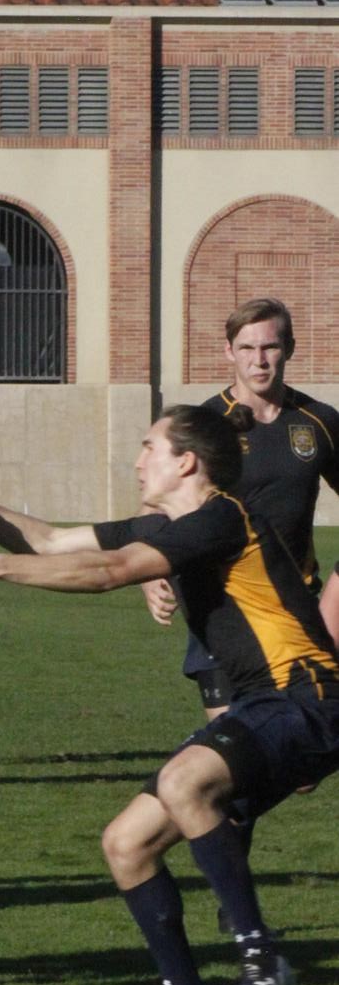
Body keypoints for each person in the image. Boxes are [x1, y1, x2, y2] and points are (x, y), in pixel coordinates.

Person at [0, 405, 339, 985]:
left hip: (308, 698)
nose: (138, 459)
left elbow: (109, 572)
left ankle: (259, 951)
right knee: (126, 843)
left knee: (182, 782)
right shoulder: (176, 525)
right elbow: (50, 540)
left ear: (186, 461)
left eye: (149, 447)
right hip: (265, 706)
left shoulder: (221, 517)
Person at [145, 299, 339, 719]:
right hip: (220, 604)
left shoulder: (319, 422)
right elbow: (159, 504)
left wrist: (337, 590)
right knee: (238, 752)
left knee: (296, 766)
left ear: (289, 348)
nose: (259, 360)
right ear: (229, 351)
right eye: (247, 348)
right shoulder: (204, 424)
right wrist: (151, 573)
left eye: (270, 347)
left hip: (293, 607)